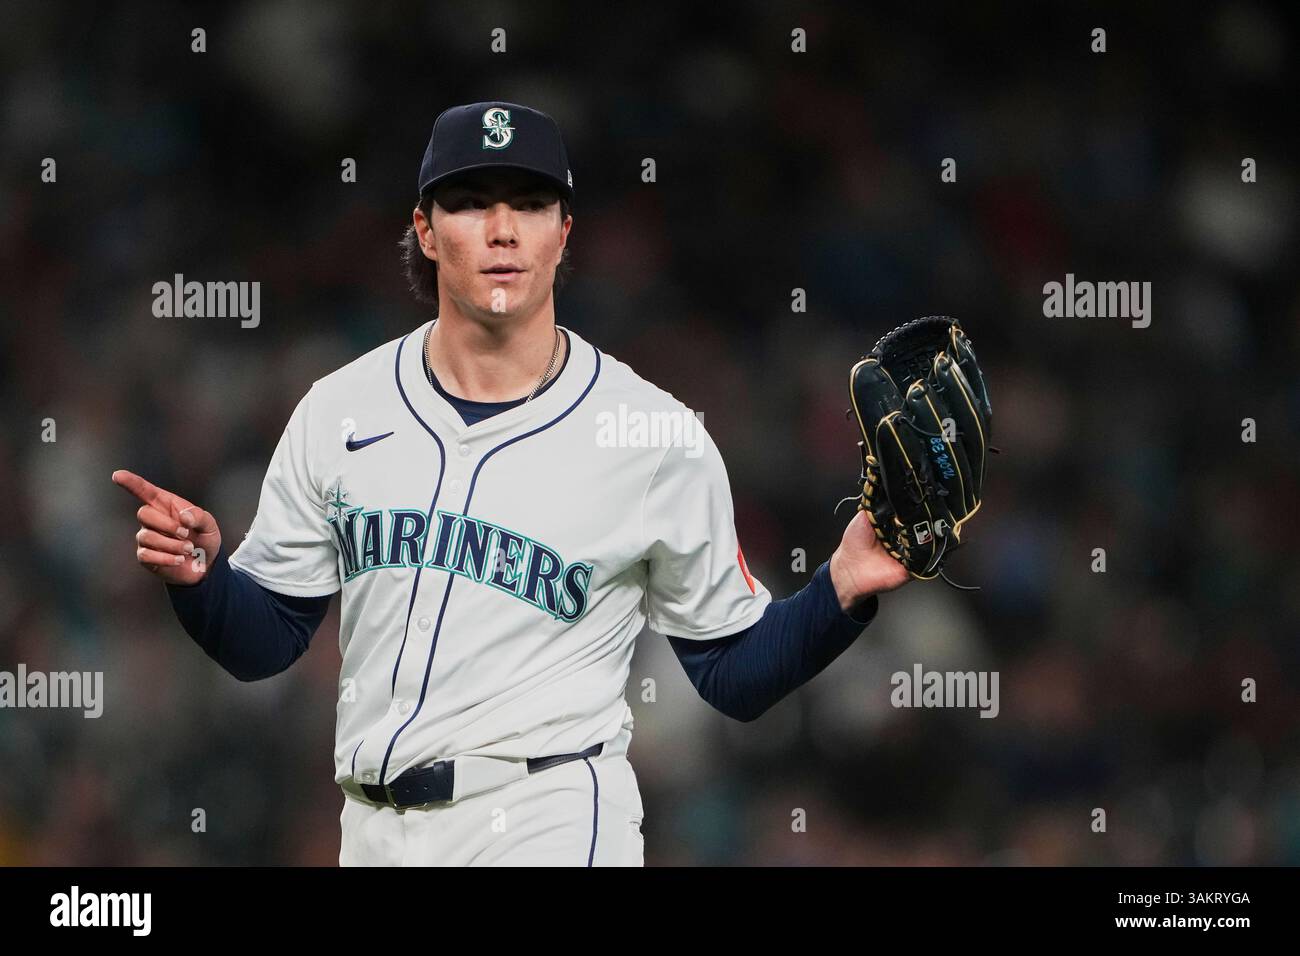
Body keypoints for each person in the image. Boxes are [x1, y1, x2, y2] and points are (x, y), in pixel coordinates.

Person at [112, 101, 910, 867]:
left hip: (550, 815)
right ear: (424, 229)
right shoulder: (340, 410)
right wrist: (202, 580)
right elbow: (264, 640)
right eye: (469, 203)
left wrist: (840, 588)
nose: (501, 230)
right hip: (373, 830)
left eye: (530, 204)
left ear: (565, 233)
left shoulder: (652, 434)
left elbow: (734, 673)